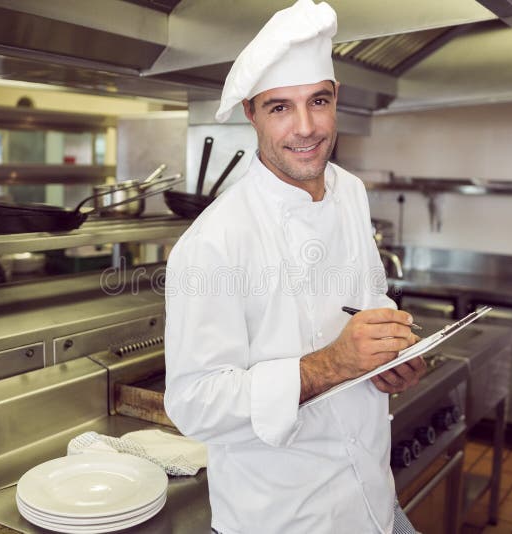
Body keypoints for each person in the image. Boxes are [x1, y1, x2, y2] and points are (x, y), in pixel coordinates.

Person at [164, 1, 426, 532]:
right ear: (251, 113)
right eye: (280, 107)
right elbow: (193, 405)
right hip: (285, 518)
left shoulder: (349, 191)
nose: (305, 128)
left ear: (336, 101)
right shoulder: (213, 242)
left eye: (318, 101)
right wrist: (330, 365)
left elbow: (368, 299)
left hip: (375, 499)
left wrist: (389, 355)